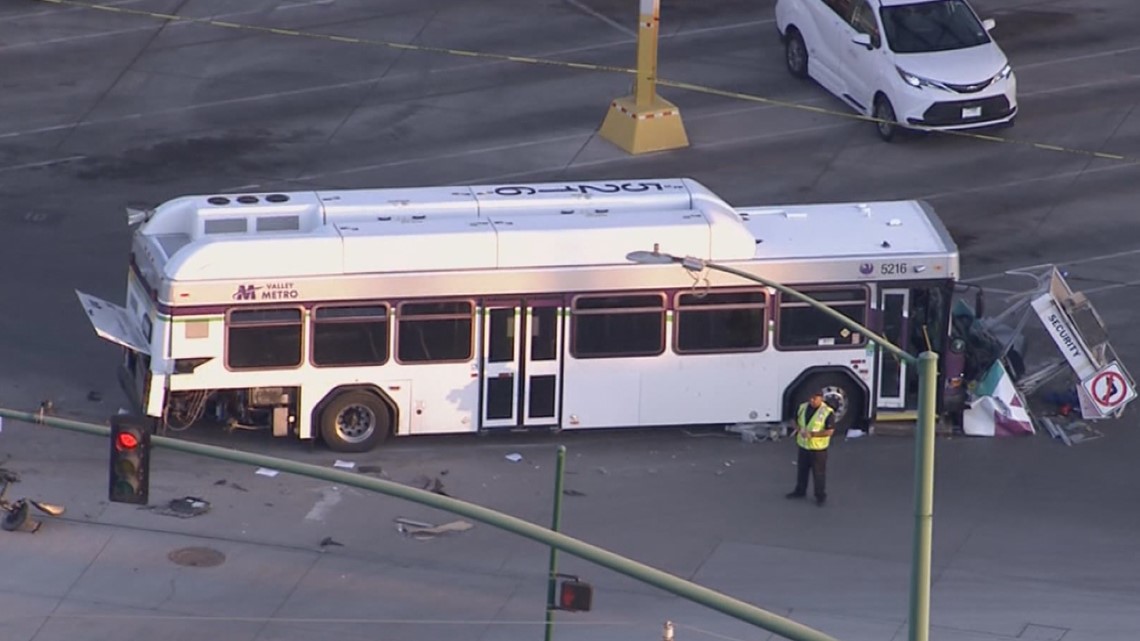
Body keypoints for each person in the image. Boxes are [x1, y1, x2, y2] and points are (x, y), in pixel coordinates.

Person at [785, 391, 836, 506]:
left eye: (815, 398)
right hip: (803, 446)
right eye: (811, 398)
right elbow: (793, 420)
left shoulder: (827, 412)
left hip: (818, 449)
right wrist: (798, 429)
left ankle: (820, 496)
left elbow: (830, 431)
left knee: (818, 473)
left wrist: (812, 435)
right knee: (802, 471)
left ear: (821, 398)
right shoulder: (802, 407)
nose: (812, 401)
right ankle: (800, 491)